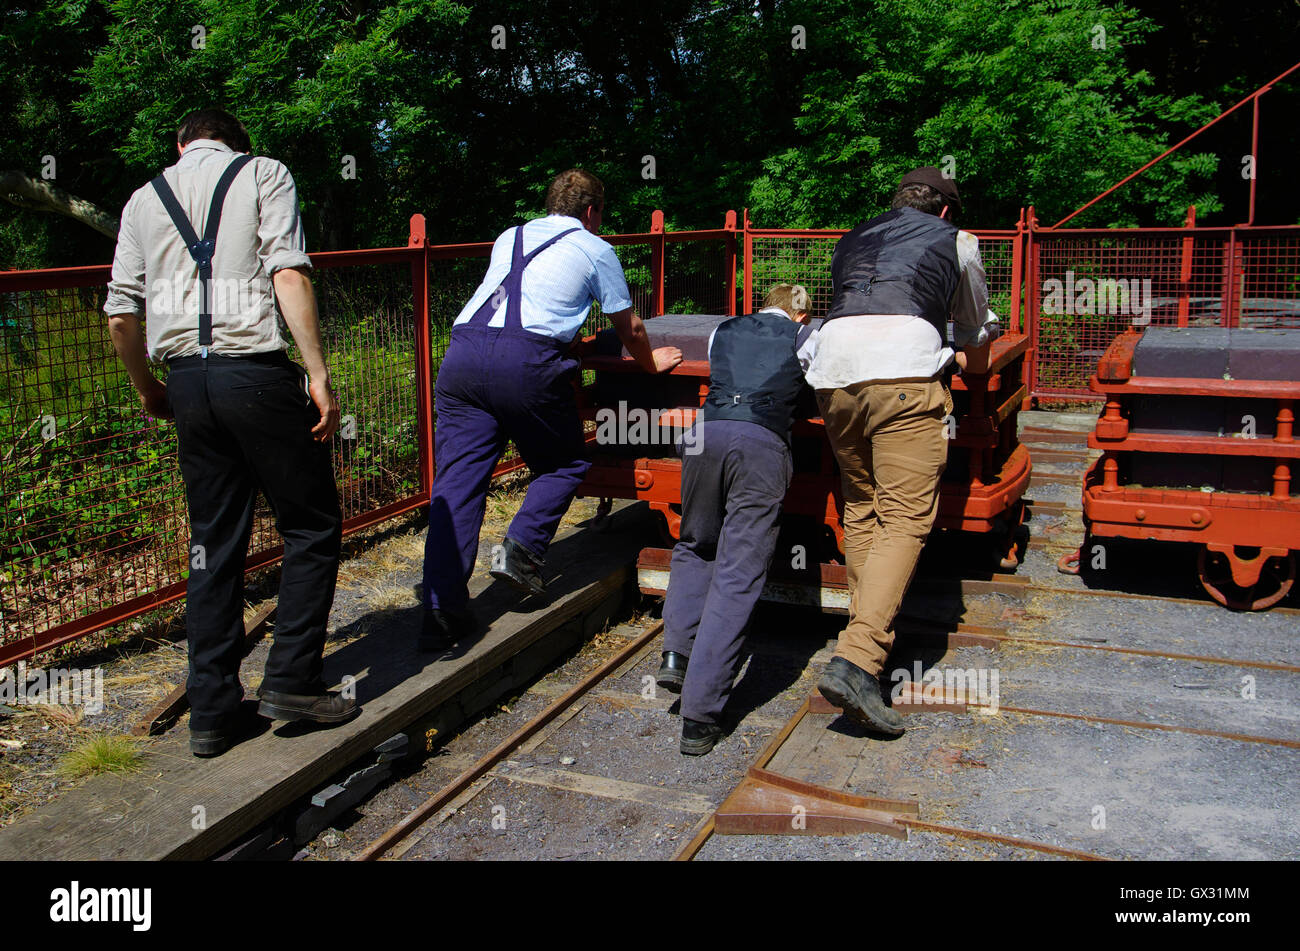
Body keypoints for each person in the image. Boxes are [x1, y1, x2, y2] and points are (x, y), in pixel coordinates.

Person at [105, 108, 355, 757]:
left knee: (212, 544)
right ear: (236, 144)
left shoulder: (142, 199)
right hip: (257, 377)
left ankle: (213, 713)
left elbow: (119, 315)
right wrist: (320, 374)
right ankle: (292, 680)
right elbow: (289, 273)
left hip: (186, 382)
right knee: (310, 523)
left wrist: (147, 389)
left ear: (180, 143)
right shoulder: (264, 173)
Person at [421, 169, 682, 649]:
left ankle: (440, 612)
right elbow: (631, 328)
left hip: (462, 355)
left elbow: (521, 300)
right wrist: (651, 364)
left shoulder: (511, 235)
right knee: (564, 462)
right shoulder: (594, 247)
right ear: (591, 211)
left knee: (456, 486)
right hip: (526, 363)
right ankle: (519, 551)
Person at [808, 166, 999, 737]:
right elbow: (973, 331)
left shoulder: (853, 237)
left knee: (863, 511)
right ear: (945, 210)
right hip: (905, 380)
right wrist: (971, 354)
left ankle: (862, 641)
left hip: (834, 379)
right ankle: (859, 659)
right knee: (906, 520)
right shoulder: (956, 240)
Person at [657, 284, 818, 755]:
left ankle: (676, 653)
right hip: (760, 447)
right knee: (738, 574)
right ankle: (700, 715)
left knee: (694, 543)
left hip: (704, 437)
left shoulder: (723, 331)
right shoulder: (804, 337)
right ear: (800, 313)